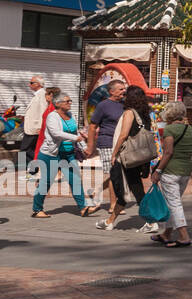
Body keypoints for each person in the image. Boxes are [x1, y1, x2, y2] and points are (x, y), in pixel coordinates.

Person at [148, 101, 192, 246]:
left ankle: (184, 236)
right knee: (171, 202)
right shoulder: (191, 130)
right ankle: (166, 234)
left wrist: (158, 171)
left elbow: (168, 152)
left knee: (174, 204)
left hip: (170, 171)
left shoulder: (169, 130)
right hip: (186, 171)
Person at [97, 85, 158, 232]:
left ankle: (151, 222)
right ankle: (109, 222)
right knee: (125, 191)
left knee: (135, 190)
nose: (123, 96)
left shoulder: (130, 113)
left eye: (126, 94)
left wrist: (114, 154)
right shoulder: (145, 114)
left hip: (127, 157)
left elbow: (123, 135)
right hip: (139, 157)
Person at [31, 91, 94, 219]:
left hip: (69, 154)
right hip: (51, 154)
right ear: (58, 104)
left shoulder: (70, 115)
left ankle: (83, 207)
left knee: (75, 179)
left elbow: (75, 132)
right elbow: (56, 133)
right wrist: (75, 138)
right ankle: (37, 209)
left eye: (70, 101)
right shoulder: (52, 116)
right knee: (46, 182)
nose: (70, 103)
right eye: (67, 101)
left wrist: (83, 147)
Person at [89, 78, 127, 214]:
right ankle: (113, 204)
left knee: (120, 173)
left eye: (124, 88)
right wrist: (90, 146)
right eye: (121, 89)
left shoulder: (125, 105)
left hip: (122, 143)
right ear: (112, 91)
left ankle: (97, 191)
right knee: (114, 173)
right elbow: (93, 126)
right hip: (107, 142)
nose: (124, 91)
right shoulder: (103, 106)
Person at [20, 74, 47, 168]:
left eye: (31, 83)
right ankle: (33, 170)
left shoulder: (42, 95)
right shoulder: (37, 95)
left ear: (38, 84)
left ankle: (39, 165)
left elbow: (44, 112)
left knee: (25, 149)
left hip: (35, 129)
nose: (29, 85)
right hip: (31, 128)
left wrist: (40, 127)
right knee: (32, 149)